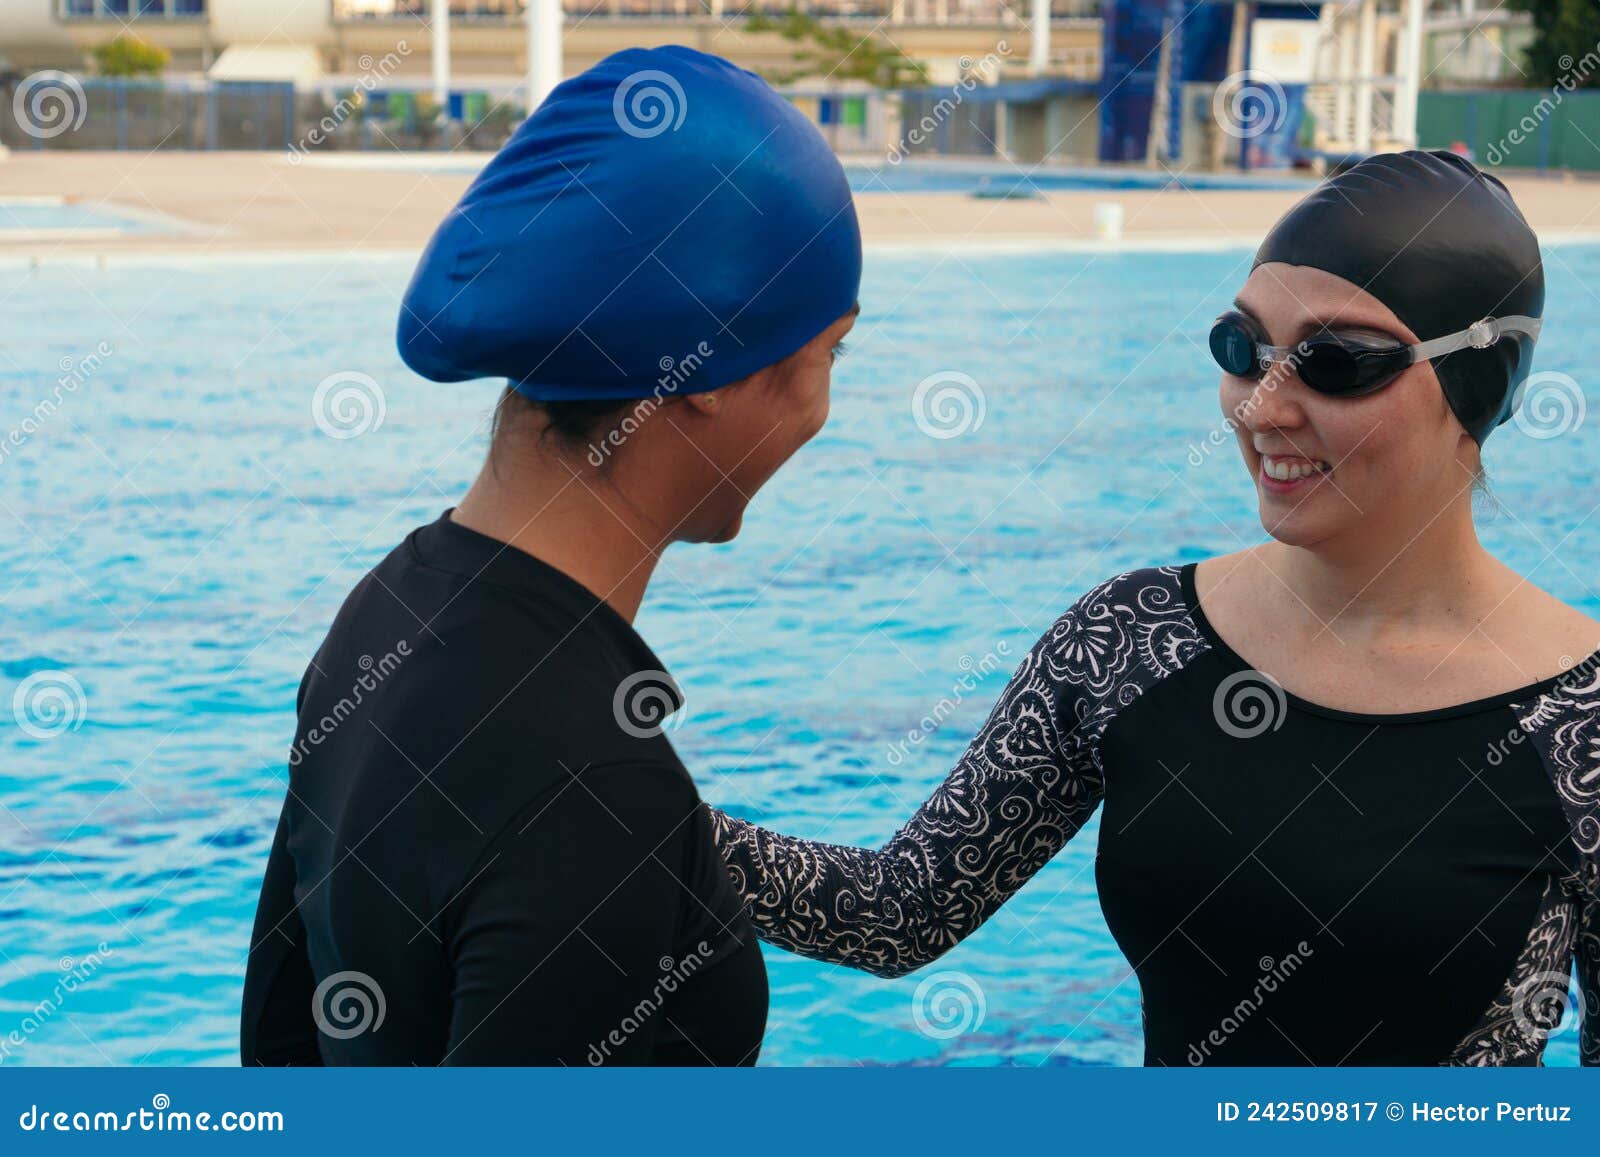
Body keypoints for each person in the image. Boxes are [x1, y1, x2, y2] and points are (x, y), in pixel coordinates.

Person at [711, 151, 1600, 1066]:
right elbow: (900, 910)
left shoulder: (1583, 721)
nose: (1263, 404)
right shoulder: (1134, 638)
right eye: (1241, 347)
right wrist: (636, 811)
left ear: (1478, 384)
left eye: (1335, 363)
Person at [240, 46, 860, 1066]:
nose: (821, 411)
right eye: (826, 352)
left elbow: (280, 1037)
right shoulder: (603, 791)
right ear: (710, 370)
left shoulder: (378, 618)